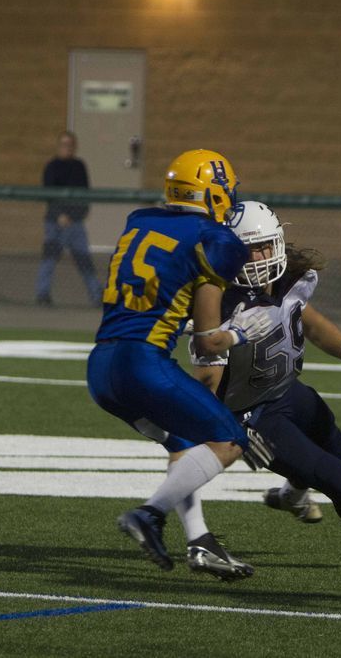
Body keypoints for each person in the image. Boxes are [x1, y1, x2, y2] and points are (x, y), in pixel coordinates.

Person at [186, 201, 341, 572]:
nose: (259, 257)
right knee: (337, 479)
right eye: (248, 250)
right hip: (249, 413)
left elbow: (311, 325)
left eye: (264, 247)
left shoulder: (290, 279)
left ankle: (292, 494)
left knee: (338, 450)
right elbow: (206, 386)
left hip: (286, 391)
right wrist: (231, 429)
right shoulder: (220, 301)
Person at [87, 149, 274, 580]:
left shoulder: (140, 220)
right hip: (142, 363)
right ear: (214, 194)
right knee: (230, 440)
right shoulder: (216, 241)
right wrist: (242, 332)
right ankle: (149, 514)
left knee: (184, 443)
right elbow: (209, 342)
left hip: (100, 366)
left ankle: (200, 542)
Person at [35, 131, 103, 307]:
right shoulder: (51, 166)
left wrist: (77, 215)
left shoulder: (79, 166)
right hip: (54, 222)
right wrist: (59, 215)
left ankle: (96, 295)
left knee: (84, 259)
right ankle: (42, 294)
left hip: (75, 223)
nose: (67, 148)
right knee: (49, 259)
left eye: (70, 145)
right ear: (59, 146)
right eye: (64, 145)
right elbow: (48, 194)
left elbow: (85, 193)